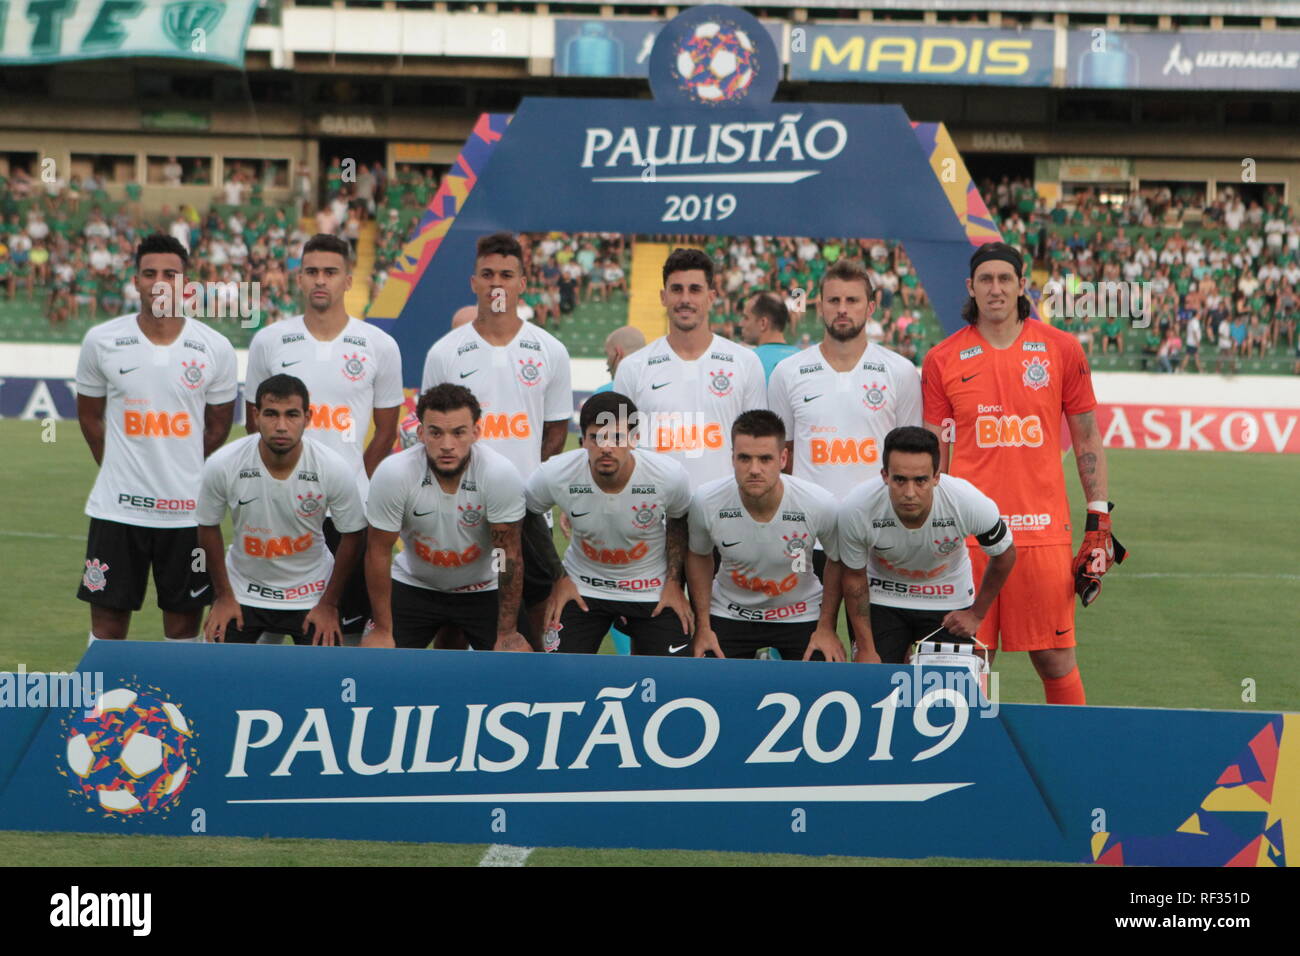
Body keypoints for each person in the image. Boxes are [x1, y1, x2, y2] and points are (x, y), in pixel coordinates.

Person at [922, 242, 1115, 705]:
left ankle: (1070, 759)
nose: (995, 288)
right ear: (971, 287)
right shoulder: (942, 359)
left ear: (1021, 285)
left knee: (1054, 658)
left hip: (1042, 532)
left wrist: (1100, 521)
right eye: (985, 280)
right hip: (968, 539)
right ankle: (958, 766)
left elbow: (1087, 440)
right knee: (963, 659)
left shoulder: (1060, 349)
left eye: (1005, 279)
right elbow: (934, 452)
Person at [74, 233, 237, 644]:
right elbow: (91, 419)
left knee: (182, 629)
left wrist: (177, 461)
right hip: (117, 510)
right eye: (150, 273)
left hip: (186, 515)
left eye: (171, 273)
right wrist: (120, 467)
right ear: (136, 281)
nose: (160, 282)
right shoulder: (102, 341)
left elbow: (218, 425)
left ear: (187, 282)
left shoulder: (215, 348)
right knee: (108, 627)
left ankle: (175, 710)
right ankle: (100, 709)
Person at [244, 233, 403, 642]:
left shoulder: (378, 345)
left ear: (348, 279)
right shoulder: (269, 340)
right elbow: (252, 423)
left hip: (347, 510)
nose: (320, 280)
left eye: (330, 272)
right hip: (278, 504)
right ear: (299, 279)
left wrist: (353, 480)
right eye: (311, 271)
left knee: (343, 626)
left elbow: (386, 430)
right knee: (268, 619)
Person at [420, 232, 572, 642]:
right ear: (474, 283)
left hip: (524, 508)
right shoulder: (445, 352)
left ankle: (532, 691)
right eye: (487, 275)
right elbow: (430, 432)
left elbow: (556, 428)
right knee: (454, 610)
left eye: (507, 274)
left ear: (523, 283)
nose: (496, 284)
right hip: (457, 507)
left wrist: (524, 479)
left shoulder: (550, 350)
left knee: (531, 605)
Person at [767, 258, 922, 586]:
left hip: (879, 530)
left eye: (852, 300)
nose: (842, 309)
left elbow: (910, 456)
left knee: (873, 636)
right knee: (803, 634)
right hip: (808, 533)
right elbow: (784, 457)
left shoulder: (900, 372)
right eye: (833, 300)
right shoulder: (789, 372)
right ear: (819, 306)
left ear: (871, 307)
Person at [361, 384, 530, 652]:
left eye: (458, 433)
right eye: (436, 433)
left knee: (516, 658)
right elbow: (378, 552)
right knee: (375, 656)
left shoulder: (499, 474)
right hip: (415, 584)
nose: (447, 445)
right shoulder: (394, 473)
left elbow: (506, 555)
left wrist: (507, 631)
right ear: (420, 433)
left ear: (476, 432)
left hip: (482, 589)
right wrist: (382, 629)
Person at [198, 375, 365, 645]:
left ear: (307, 417)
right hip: (242, 591)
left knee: (324, 679)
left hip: (311, 593)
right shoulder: (223, 464)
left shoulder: (332, 467)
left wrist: (329, 605)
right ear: (255, 415)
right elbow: (207, 527)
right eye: (271, 414)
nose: (281, 426)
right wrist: (224, 596)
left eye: (292, 415)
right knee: (216, 673)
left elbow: (353, 536)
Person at [526, 392, 693, 654]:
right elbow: (528, 512)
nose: (606, 447)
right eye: (596, 437)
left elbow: (680, 517)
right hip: (582, 586)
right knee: (558, 673)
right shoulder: (555, 473)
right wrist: (559, 578)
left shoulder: (668, 475)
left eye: (617, 437)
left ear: (634, 439)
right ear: (583, 441)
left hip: (650, 588)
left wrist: (674, 582)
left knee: (676, 675)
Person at [838, 426, 1016, 664]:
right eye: (899, 480)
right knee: (876, 689)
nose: (909, 493)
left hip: (948, 599)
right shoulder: (858, 507)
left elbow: (1005, 553)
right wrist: (866, 648)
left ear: (936, 477)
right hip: (882, 598)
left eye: (920, 480)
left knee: (947, 694)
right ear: (884, 475)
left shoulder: (967, 502)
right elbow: (853, 575)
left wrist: (976, 614)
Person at [687, 410, 843, 661]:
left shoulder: (818, 502)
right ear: (732, 458)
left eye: (765, 459)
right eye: (745, 458)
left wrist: (826, 627)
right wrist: (703, 628)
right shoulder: (706, 501)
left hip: (801, 613)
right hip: (730, 612)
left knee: (820, 685)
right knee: (708, 685)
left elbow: (837, 560)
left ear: (783, 458)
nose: (754, 469)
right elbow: (699, 556)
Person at [614, 247, 766, 488]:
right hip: (655, 515)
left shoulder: (745, 362)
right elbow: (617, 449)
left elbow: (759, 446)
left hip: (725, 515)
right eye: (677, 290)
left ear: (711, 297)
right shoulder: (633, 368)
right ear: (663, 297)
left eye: (695, 290)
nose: (685, 299)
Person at [738, 291, 798, 382]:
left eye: (746, 318)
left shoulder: (747, 362)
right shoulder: (804, 360)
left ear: (763, 323)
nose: (740, 323)